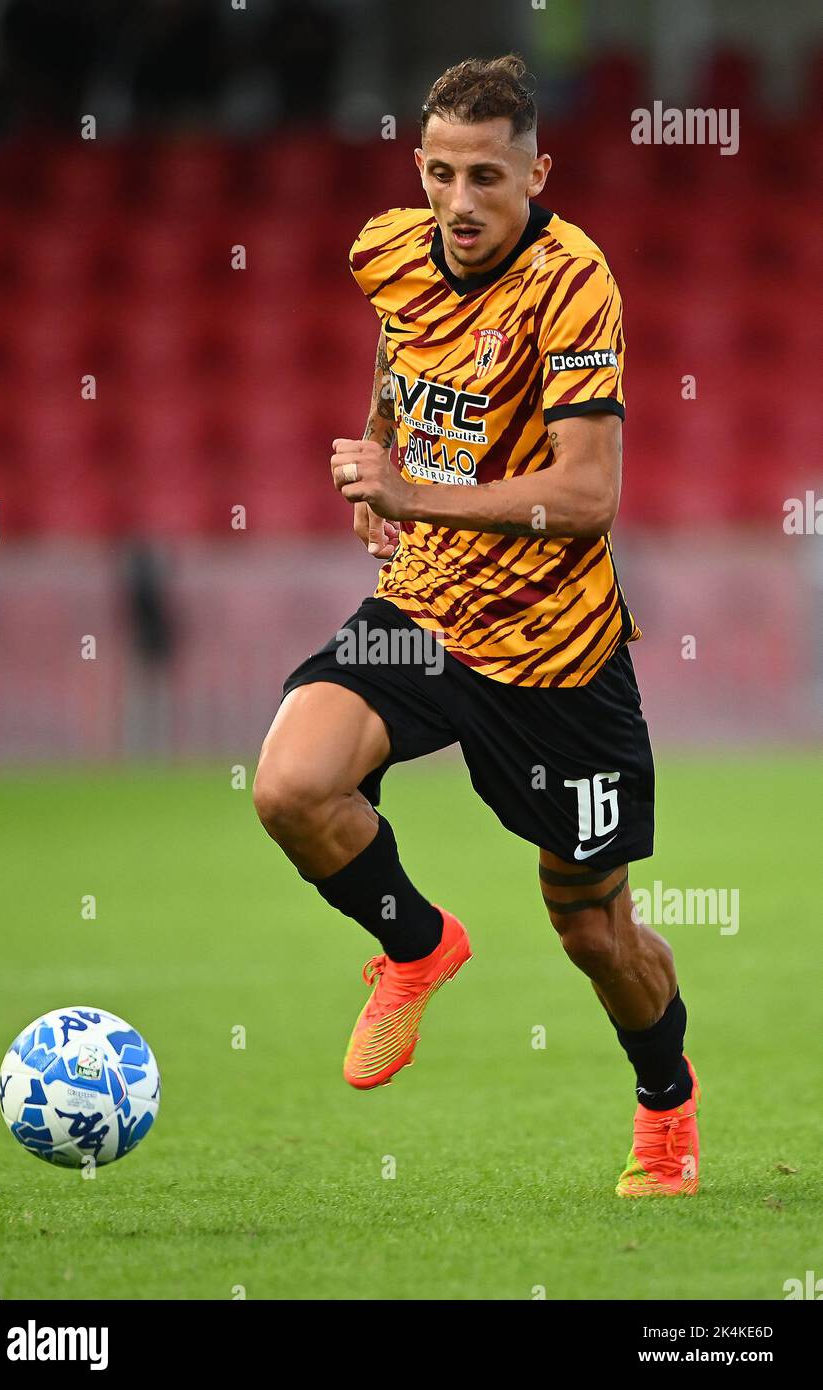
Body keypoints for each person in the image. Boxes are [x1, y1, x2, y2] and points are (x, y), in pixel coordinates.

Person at [254, 54, 700, 1197]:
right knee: (290, 786)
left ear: (534, 172)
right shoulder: (388, 248)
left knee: (595, 935)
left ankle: (664, 1109)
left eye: (486, 178)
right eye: (441, 173)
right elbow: (401, 349)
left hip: (556, 653)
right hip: (432, 603)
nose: (459, 201)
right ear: (418, 168)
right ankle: (415, 942)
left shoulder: (572, 282)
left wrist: (409, 495)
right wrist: (380, 442)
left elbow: (588, 494)